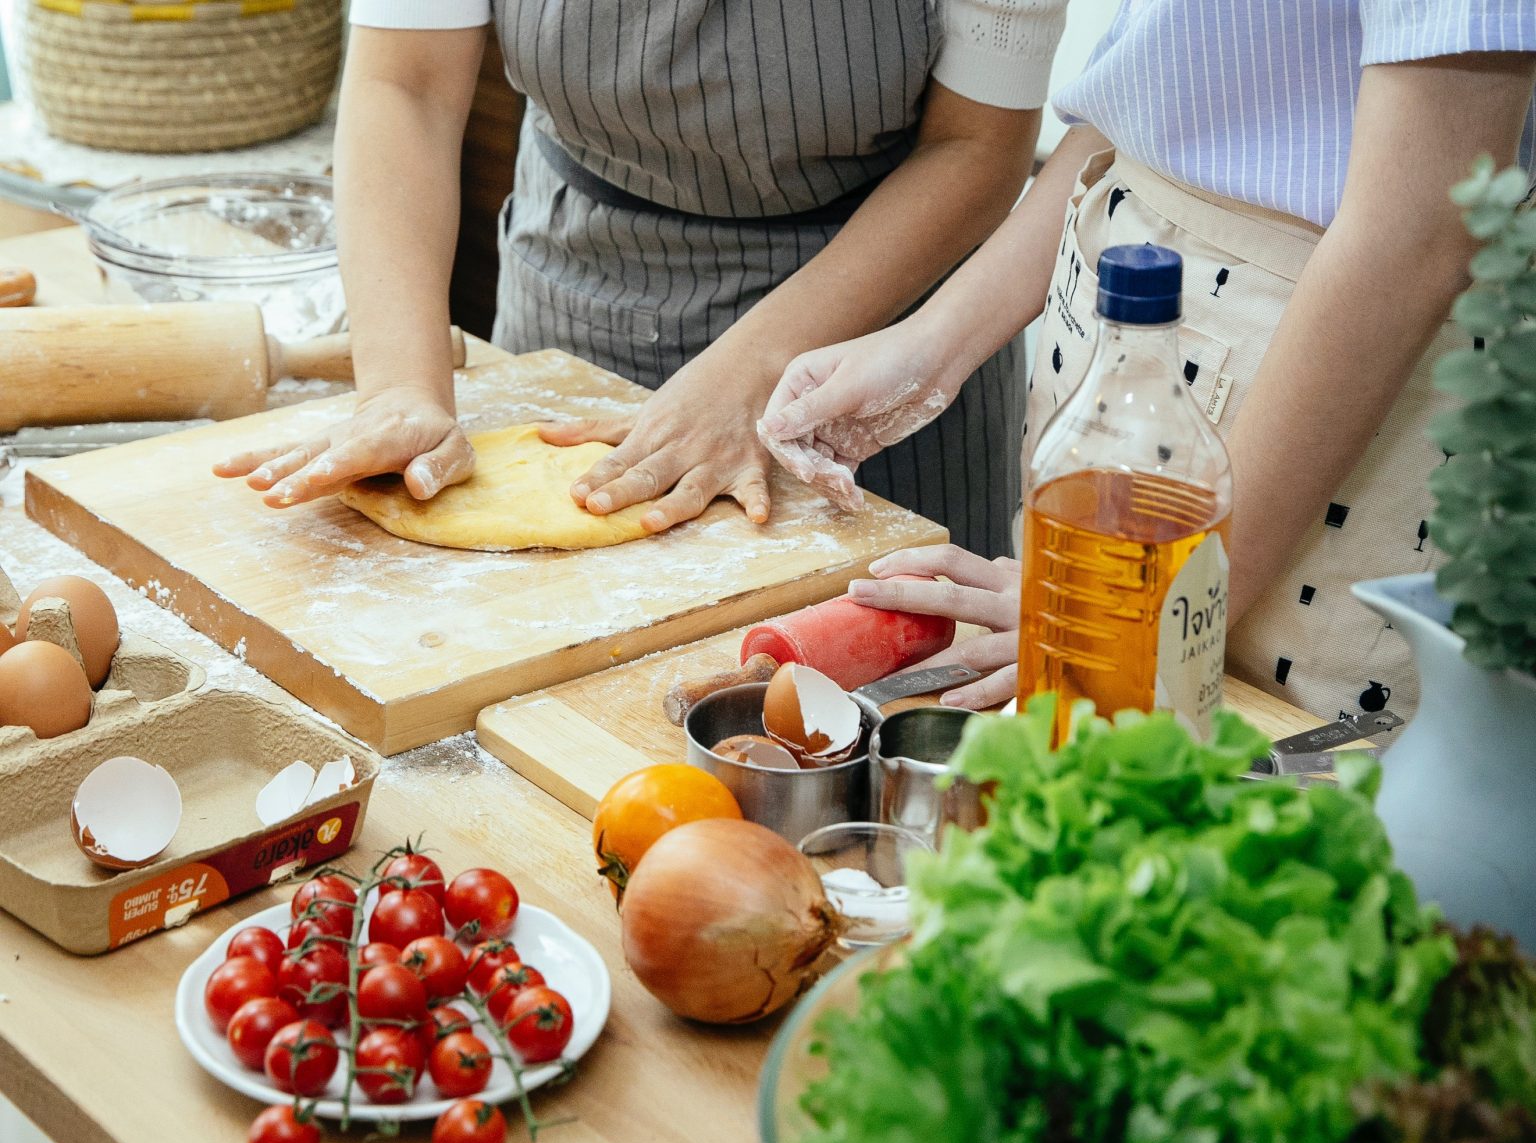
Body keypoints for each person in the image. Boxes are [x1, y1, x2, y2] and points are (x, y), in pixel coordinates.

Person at [758, 1, 1536, 723]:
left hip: (1331, 405)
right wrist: (927, 346)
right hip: (1116, 333)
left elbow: (1418, 234)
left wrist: (1157, 608)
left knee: (1254, 814)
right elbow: (1150, 100)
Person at [213, 0, 1074, 558]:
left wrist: (753, 375)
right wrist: (401, 388)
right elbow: (408, 86)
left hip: (869, 361)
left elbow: (978, 146)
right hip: (577, 296)